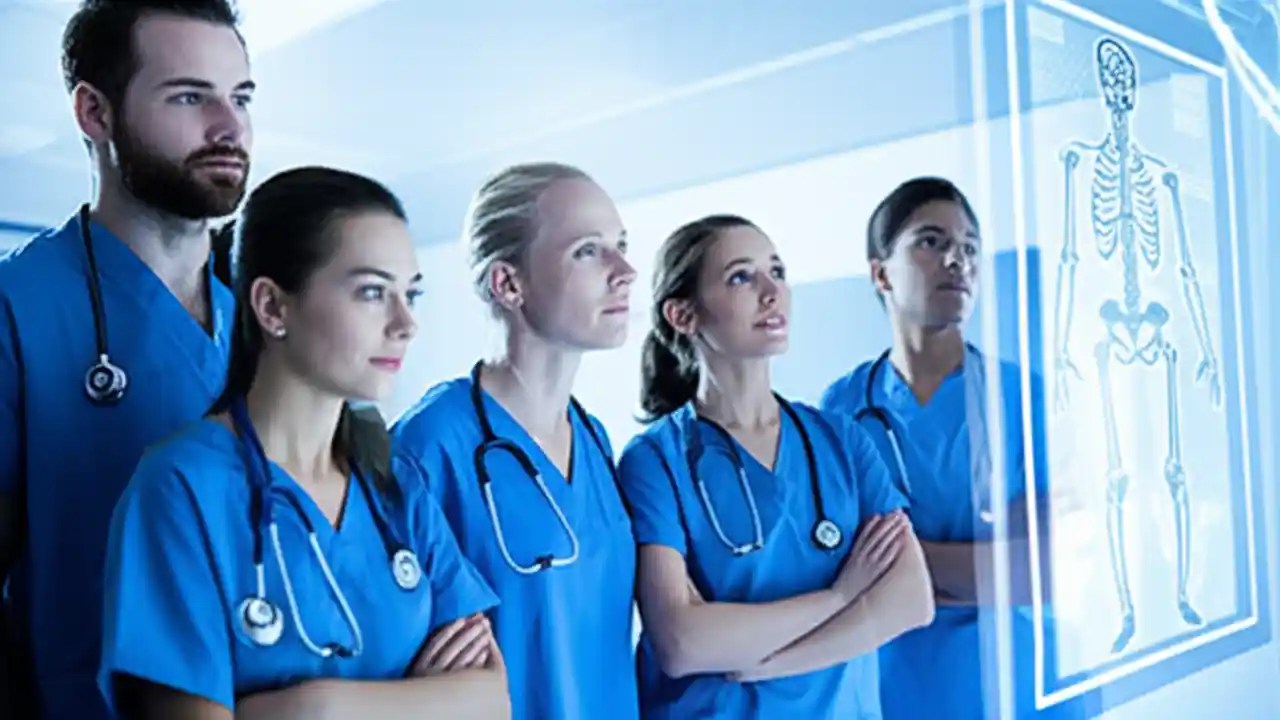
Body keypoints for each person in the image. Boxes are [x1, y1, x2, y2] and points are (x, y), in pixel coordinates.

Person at [98, 166, 510, 719]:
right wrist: (421, 701)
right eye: (371, 292)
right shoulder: (180, 487)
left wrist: (314, 707)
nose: (405, 323)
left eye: (410, 294)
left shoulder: (396, 487)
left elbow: (490, 699)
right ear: (272, 307)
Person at [0, 2, 252, 716]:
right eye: (188, 96)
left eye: (240, 97)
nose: (228, 127)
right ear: (94, 112)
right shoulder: (18, 307)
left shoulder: (272, 318)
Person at [619, 214, 936, 719]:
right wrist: (842, 596)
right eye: (742, 277)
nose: (773, 292)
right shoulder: (655, 460)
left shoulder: (842, 440)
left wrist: (765, 661)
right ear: (682, 314)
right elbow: (682, 642)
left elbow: (911, 599)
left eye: (778, 272)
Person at [821, 177, 1083, 718]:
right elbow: (836, 570)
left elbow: (1042, 573)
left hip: (1019, 684)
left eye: (968, 248)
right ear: (880, 273)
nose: (956, 260)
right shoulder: (843, 407)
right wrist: (981, 566)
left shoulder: (1022, 396)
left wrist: (902, 564)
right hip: (896, 687)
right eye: (931, 242)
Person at [391, 162, 640, 720]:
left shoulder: (595, 440)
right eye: (588, 250)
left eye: (621, 245)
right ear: (508, 283)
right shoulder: (430, 446)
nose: (625, 270)